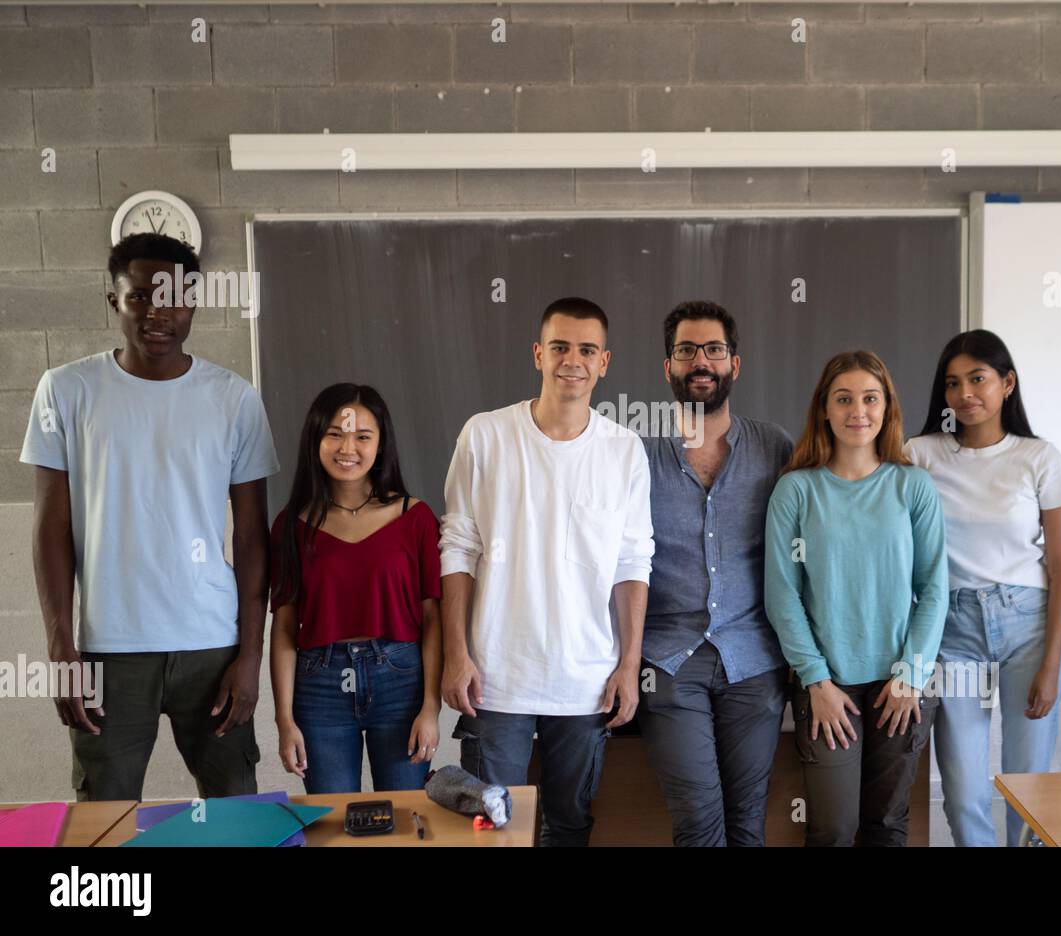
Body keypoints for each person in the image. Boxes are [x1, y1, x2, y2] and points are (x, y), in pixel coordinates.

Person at [21, 232, 278, 801]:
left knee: (236, 815)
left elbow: (253, 538)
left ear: (193, 303)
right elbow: (50, 528)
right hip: (110, 648)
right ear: (114, 300)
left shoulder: (235, 399)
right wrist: (61, 646)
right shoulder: (65, 391)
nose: (158, 312)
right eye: (140, 296)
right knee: (103, 820)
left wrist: (250, 655)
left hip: (212, 644)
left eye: (175, 297)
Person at [439, 297, 654, 847]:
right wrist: (457, 653)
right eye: (559, 347)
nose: (572, 360)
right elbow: (458, 549)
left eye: (586, 349)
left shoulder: (624, 449)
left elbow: (632, 563)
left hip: (585, 682)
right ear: (539, 354)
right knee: (490, 829)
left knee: (569, 825)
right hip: (496, 677)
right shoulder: (484, 436)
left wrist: (629, 665)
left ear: (604, 362)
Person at [764, 350, 948, 846]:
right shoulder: (796, 490)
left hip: (901, 685)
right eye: (843, 399)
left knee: (886, 826)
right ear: (824, 408)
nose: (857, 411)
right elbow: (782, 594)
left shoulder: (913, 486)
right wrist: (816, 681)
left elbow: (934, 587)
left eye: (870, 398)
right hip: (828, 686)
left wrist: (912, 673)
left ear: (887, 407)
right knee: (833, 829)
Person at [906, 329, 1061, 847]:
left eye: (978, 379)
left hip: (1028, 620)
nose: (965, 394)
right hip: (950, 626)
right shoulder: (920, 453)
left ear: (1007, 383)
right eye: (953, 383)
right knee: (961, 789)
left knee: (1028, 785)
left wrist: (1051, 663)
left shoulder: (1039, 457)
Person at [639, 300, 793, 847]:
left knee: (748, 821)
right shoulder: (637, 455)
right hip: (668, 662)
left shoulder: (774, 447)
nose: (700, 361)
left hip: (754, 660)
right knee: (699, 822)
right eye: (685, 350)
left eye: (713, 349)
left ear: (735, 364)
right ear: (668, 367)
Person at [269, 384, 442, 794]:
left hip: (400, 679)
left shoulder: (414, 517)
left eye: (363, 436)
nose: (348, 447)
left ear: (381, 445)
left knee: (403, 818)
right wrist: (284, 720)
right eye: (335, 433)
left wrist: (431, 707)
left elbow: (433, 619)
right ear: (316, 440)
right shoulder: (291, 524)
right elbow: (284, 627)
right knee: (331, 824)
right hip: (319, 685)